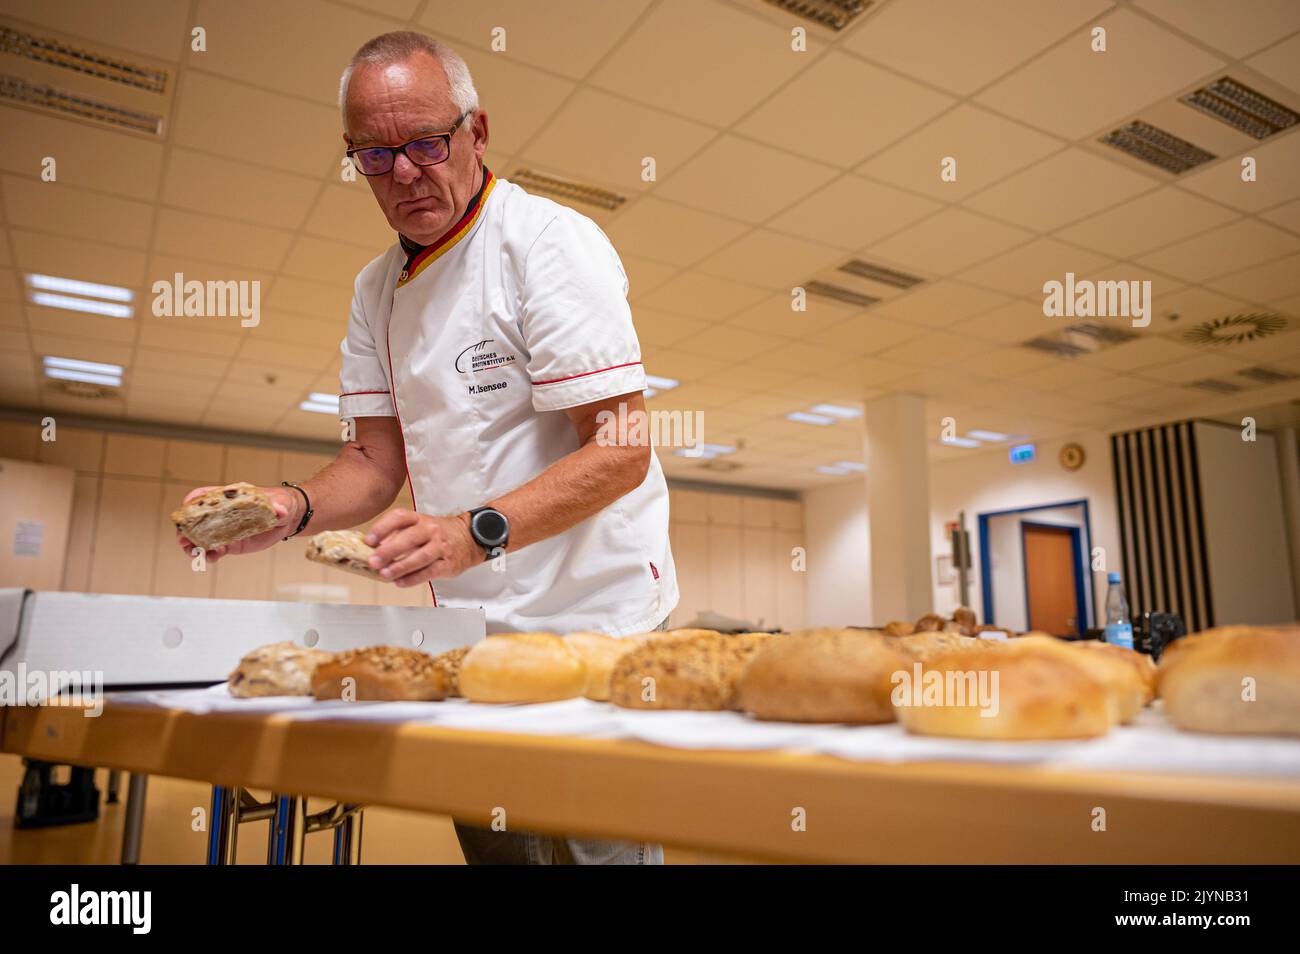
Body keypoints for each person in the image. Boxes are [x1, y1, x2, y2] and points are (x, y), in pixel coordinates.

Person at [174, 30, 677, 865]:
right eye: (373, 155)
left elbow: (621, 449)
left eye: (425, 144)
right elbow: (374, 464)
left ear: (477, 133)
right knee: (501, 849)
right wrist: (287, 507)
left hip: (602, 625)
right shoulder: (376, 291)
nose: (404, 173)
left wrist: (468, 532)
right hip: (472, 636)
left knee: (602, 855)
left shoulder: (547, 244)